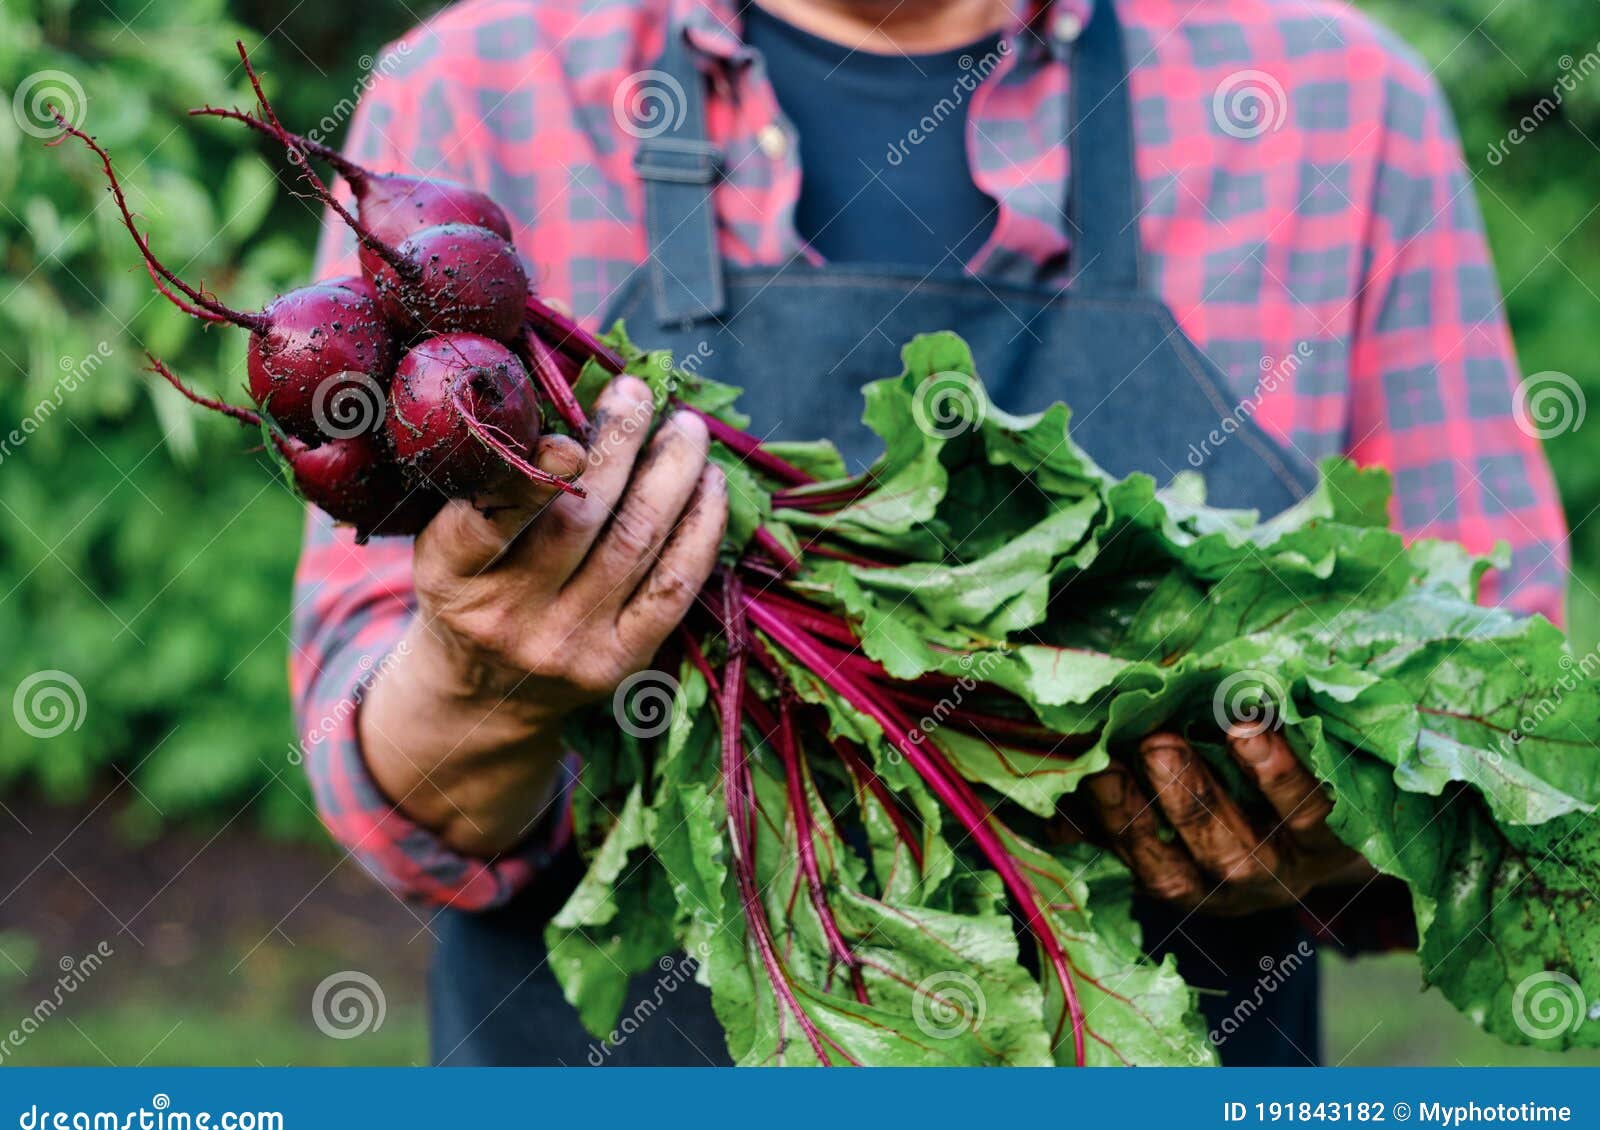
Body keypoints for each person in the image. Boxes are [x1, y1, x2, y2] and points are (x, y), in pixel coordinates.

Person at [292, 0, 1567, 1066]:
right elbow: (384, 790)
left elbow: (1507, 744)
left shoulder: (1338, 106)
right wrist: (481, 689)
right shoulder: (479, 85)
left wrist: (1344, 821)